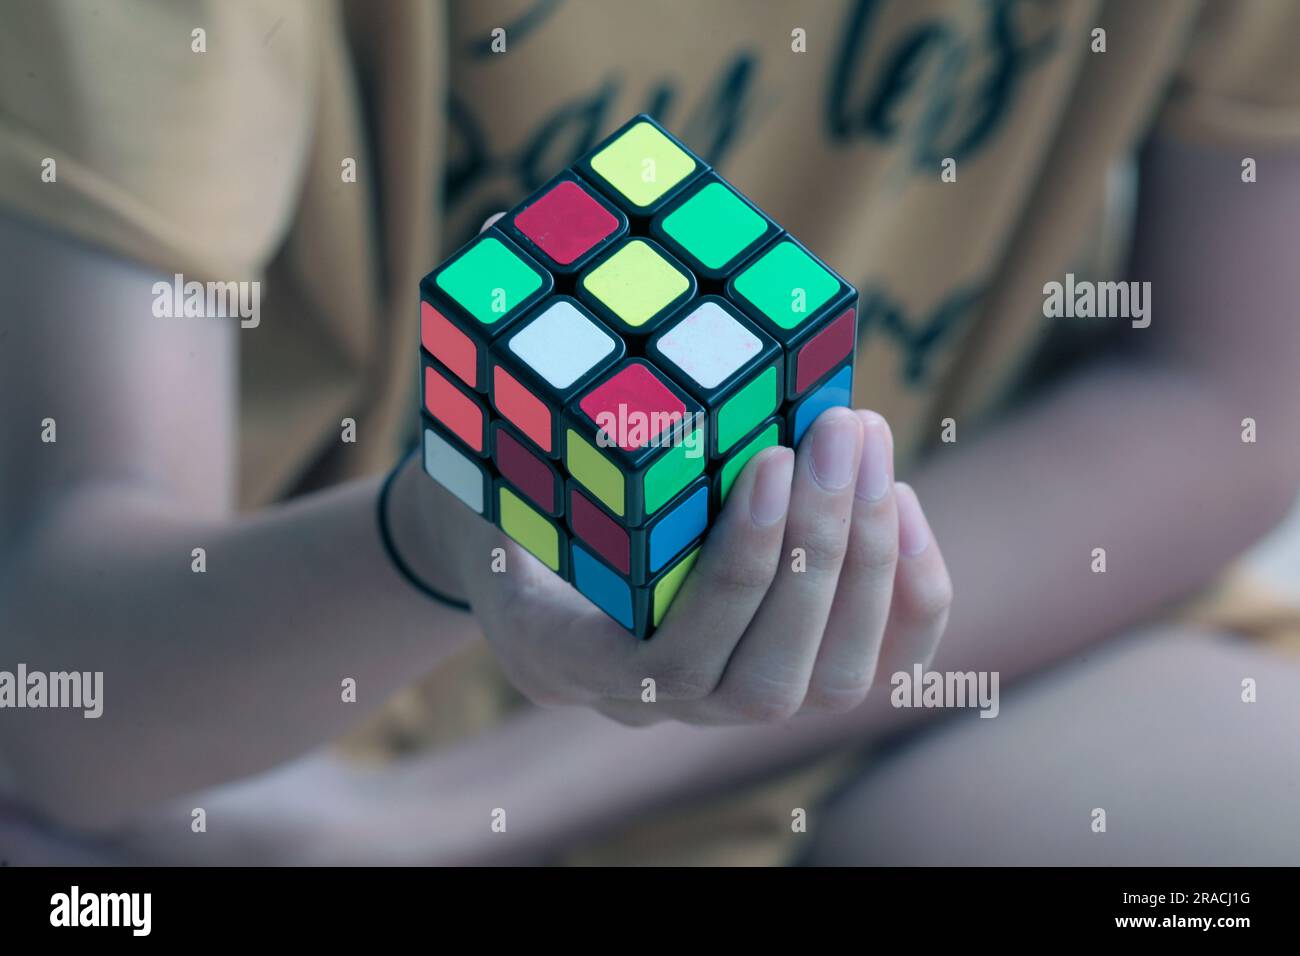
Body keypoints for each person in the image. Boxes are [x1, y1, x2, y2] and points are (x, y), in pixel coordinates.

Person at [1, 0, 1299, 866]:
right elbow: (67, 685)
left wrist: (448, 814)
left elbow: (1232, 395)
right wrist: (437, 533)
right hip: (269, 739)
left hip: (939, 687)